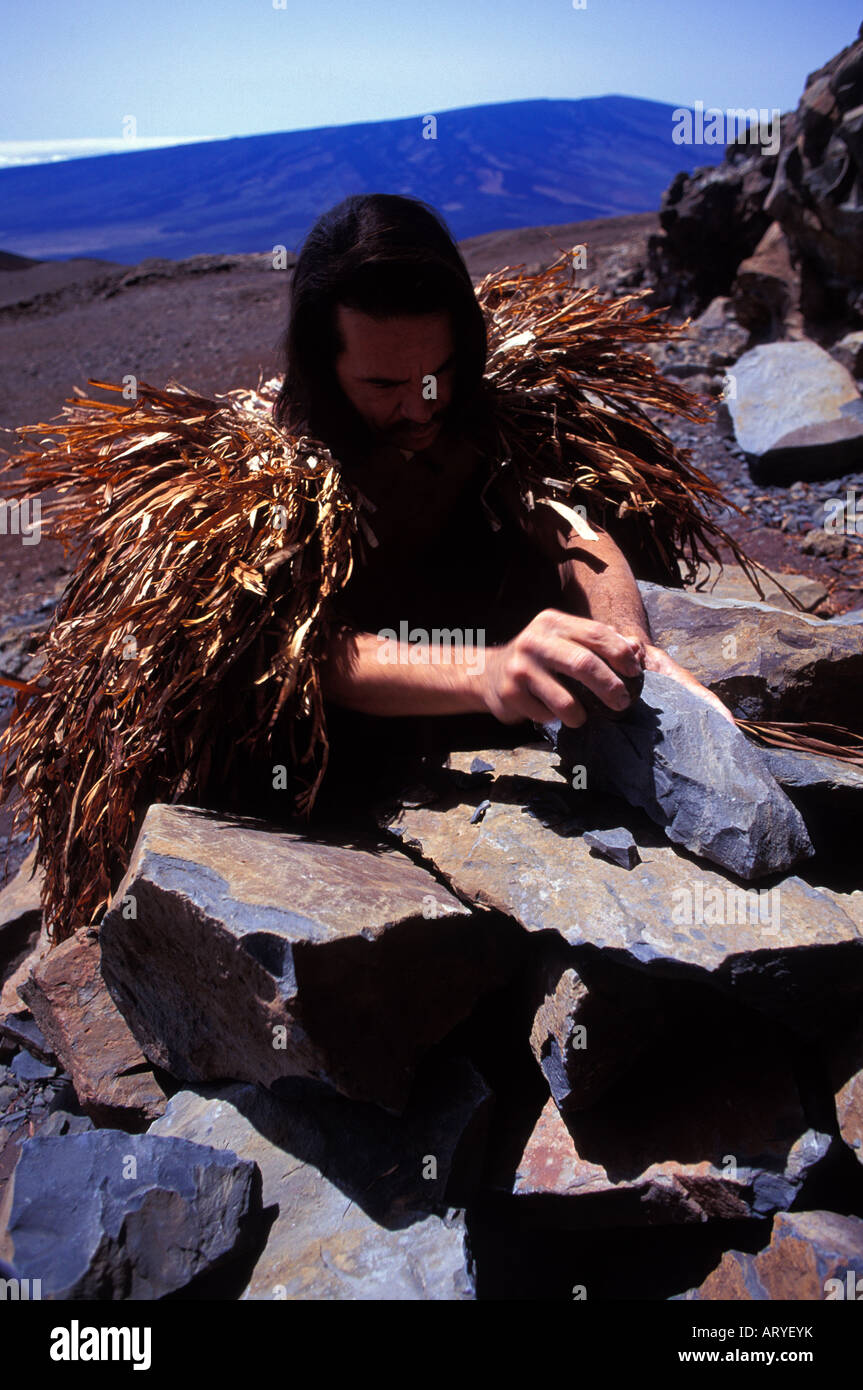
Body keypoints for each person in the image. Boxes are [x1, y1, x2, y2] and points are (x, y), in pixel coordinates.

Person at [272, 193, 731, 802]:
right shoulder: (280, 475)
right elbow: (308, 646)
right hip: (345, 760)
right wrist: (487, 672)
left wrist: (627, 642)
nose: (421, 407)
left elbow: (569, 524)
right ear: (322, 368)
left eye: (439, 369)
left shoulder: (493, 420)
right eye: (382, 384)